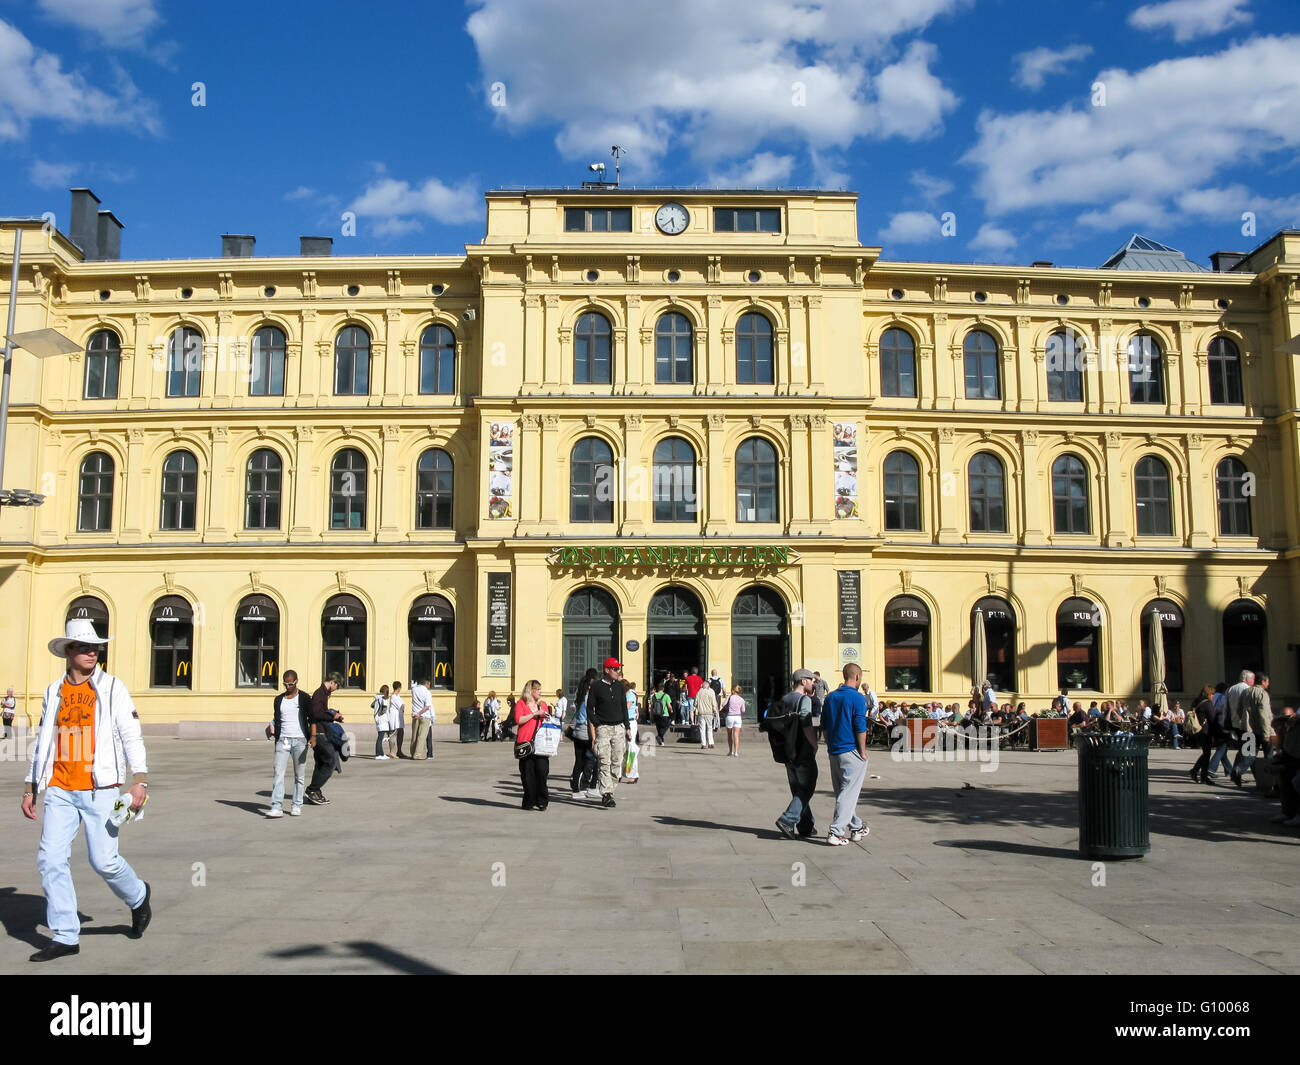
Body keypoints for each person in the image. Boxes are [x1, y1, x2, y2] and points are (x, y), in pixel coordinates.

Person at [21, 618, 151, 962]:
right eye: (83, 646)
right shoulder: (54, 692)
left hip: (102, 789)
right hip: (61, 789)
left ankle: (138, 896)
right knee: (50, 860)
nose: (92, 652)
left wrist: (139, 780)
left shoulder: (111, 688)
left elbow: (130, 733)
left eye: (95, 646)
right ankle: (65, 935)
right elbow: (44, 742)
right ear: (68, 651)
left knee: (104, 861)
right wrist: (31, 786)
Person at [821, 663, 870, 846]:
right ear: (857, 677)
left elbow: (824, 725)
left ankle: (856, 827)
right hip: (851, 750)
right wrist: (863, 752)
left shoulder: (831, 697)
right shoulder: (858, 698)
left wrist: (829, 744)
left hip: (834, 750)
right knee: (848, 793)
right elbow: (860, 727)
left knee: (843, 792)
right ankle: (836, 832)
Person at [773, 669, 819, 840]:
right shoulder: (804, 700)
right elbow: (806, 724)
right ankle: (788, 819)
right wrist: (814, 744)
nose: (813, 683)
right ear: (803, 681)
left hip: (787, 750)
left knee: (798, 788)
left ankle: (806, 825)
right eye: (811, 680)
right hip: (802, 749)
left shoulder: (784, 699)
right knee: (807, 786)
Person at [588, 657, 630, 808]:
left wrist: (627, 727)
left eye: (619, 669)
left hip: (619, 728)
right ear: (607, 670)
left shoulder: (619, 686)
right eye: (615, 669)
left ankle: (610, 789)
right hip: (604, 728)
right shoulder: (597, 687)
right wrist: (598, 724)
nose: (618, 671)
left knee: (616, 761)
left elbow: (624, 707)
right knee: (604, 760)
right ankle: (606, 794)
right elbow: (589, 708)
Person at [268, 670, 310, 817]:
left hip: (300, 740)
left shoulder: (304, 698)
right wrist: (272, 726)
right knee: (278, 773)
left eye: (290, 683)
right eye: (285, 683)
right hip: (283, 740)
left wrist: (314, 737)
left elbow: (312, 718)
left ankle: (297, 805)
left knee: (299, 775)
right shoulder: (278, 699)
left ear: (296, 681)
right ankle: (276, 806)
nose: (288, 686)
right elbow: (276, 717)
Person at [304, 673, 343, 806]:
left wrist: (332, 713)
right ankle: (312, 789)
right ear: (332, 682)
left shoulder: (323, 694)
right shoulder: (319, 694)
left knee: (320, 763)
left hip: (321, 732)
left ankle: (315, 791)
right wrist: (332, 717)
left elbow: (320, 711)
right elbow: (315, 713)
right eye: (337, 685)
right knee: (330, 762)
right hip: (319, 733)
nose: (336, 688)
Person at [514, 680, 552, 811]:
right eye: (538, 689)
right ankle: (529, 801)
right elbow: (519, 720)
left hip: (541, 744)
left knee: (542, 772)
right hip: (525, 743)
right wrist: (534, 714)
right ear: (531, 691)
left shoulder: (543, 705)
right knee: (527, 774)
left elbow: (548, 723)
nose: (540, 692)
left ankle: (542, 801)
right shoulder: (521, 704)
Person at [1233, 672, 1274, 787]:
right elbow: (1264, 714)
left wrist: (1245, 719)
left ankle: (1238, 769)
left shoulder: (1246, 692)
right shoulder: (1263, 694)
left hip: (1248, 728)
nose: (1268, 684)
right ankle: (1268, 781)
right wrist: (1266, 733)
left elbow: (1238, 709)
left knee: (1250, 753)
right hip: (1262, 730)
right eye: (1267, 681)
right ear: (1263, 682)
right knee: (1269, 756)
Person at [1269, 707, 1300, 827]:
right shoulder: (1287, 733)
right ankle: (1287, 812)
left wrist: (1284, 766)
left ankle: (1297, 814)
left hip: (1296, 759)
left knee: (1296, 781)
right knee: (1284, 778)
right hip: (1293, 757)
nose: (1279, 730)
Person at [570, 669, 599, 798]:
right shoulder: (589, 698)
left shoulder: (580, 695)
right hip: (587, 731)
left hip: (578, 730)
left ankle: (576, 788)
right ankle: (589, 786)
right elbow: (590, 718)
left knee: (579, 761)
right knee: (594, 760)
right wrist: (594, 737)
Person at [1190, 684, 1222, 784]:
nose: (1213, 696)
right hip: (1205, 731)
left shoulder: (1197, 701)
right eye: (1212, 694)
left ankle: (1199, 773)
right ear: (1209, 694)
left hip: (1198, 730)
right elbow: (1212, 718)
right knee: (1207, 753)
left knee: (1206, 753)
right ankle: (1199, 774)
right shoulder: (1207, 703)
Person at [409, 678, 434, 760]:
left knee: (414, 736)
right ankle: (417, 754)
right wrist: (420, 713)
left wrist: (417, 714)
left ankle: (412, 753)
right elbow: (427, 706)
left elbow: (413, 686)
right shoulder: (427, 692)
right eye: (429, 685)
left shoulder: (414, 690)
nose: (429, 687)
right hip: (424, 716)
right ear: (426, 684)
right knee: (421, 737)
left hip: (415, 715)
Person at [622, 681, 641, 783]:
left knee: (631, 748)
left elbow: (626, 708)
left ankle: (633, 773)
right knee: (627, 749)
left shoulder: (630, 695)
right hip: (625, 722)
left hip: (630, 722)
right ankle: (625, 771)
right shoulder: (626, 694)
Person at [722, 685, 746, 756]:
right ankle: (736, 752)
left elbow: (723, 704)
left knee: (729, 735)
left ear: (733, 690)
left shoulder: (729, 697)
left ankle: (730, 751)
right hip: (738, 717)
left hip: (730, 717)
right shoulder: (741, 699)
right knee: (736, 735)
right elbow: (743, 710)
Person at [695, 677, 718, 750]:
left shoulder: (698, 692)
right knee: (709, 728)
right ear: (708, 687)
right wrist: (715, 711)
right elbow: (714, 703)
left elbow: (695, 703)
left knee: (702, 729)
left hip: (701, 713)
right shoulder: (711, 693)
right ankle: (710, 743)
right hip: (709, 713)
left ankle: (703, 744)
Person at [372, 684, 394, 760]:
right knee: (380, 738)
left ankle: (381, 754)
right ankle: (378, 755)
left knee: (380, 737)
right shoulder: (384, 698)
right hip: (382, 719)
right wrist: (382, 713)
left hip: (377, 719)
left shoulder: (377, 698)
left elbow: (372, 705)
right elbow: (384, 709)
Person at [649, 682, 672, 746]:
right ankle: (659, 737)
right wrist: (671, 710)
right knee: (666, 725)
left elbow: (651, 707)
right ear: (663, 689)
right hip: (664, 714)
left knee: (659, 728)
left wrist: (651, 716)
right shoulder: (666, 696)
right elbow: (669, 706)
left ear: (657, 689)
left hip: (656, 715)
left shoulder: (654, 696)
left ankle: (661, 742)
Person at [389, 681, 406, 757]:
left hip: (399, 719)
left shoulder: (398, 696)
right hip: (395, 719)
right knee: (393, 734)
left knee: (401, 733)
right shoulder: (393, 697)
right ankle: (392, 752)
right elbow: (401, 706)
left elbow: (402, 705)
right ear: (399, 688)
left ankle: (399, 751)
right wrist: (403, 707)